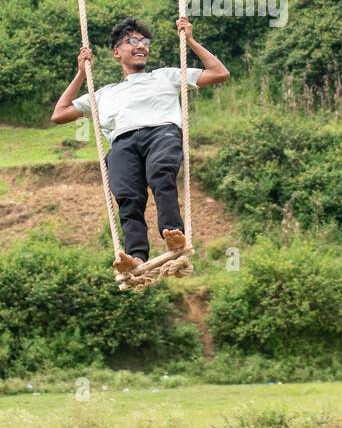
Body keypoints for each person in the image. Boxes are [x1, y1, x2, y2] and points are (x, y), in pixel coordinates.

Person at [52, 16, 229, 274]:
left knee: (160, 173)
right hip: (123, 143)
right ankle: (136, 255)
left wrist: (190, 40)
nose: (141, 46)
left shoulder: (166, 76)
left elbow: (219, 73)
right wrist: (81, 73)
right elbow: (60, 113)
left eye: (144, 42)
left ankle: (173, 232)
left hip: (162, 133)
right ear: (116, 52)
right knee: (128, 198)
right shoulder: (103, 93)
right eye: (132, 41)